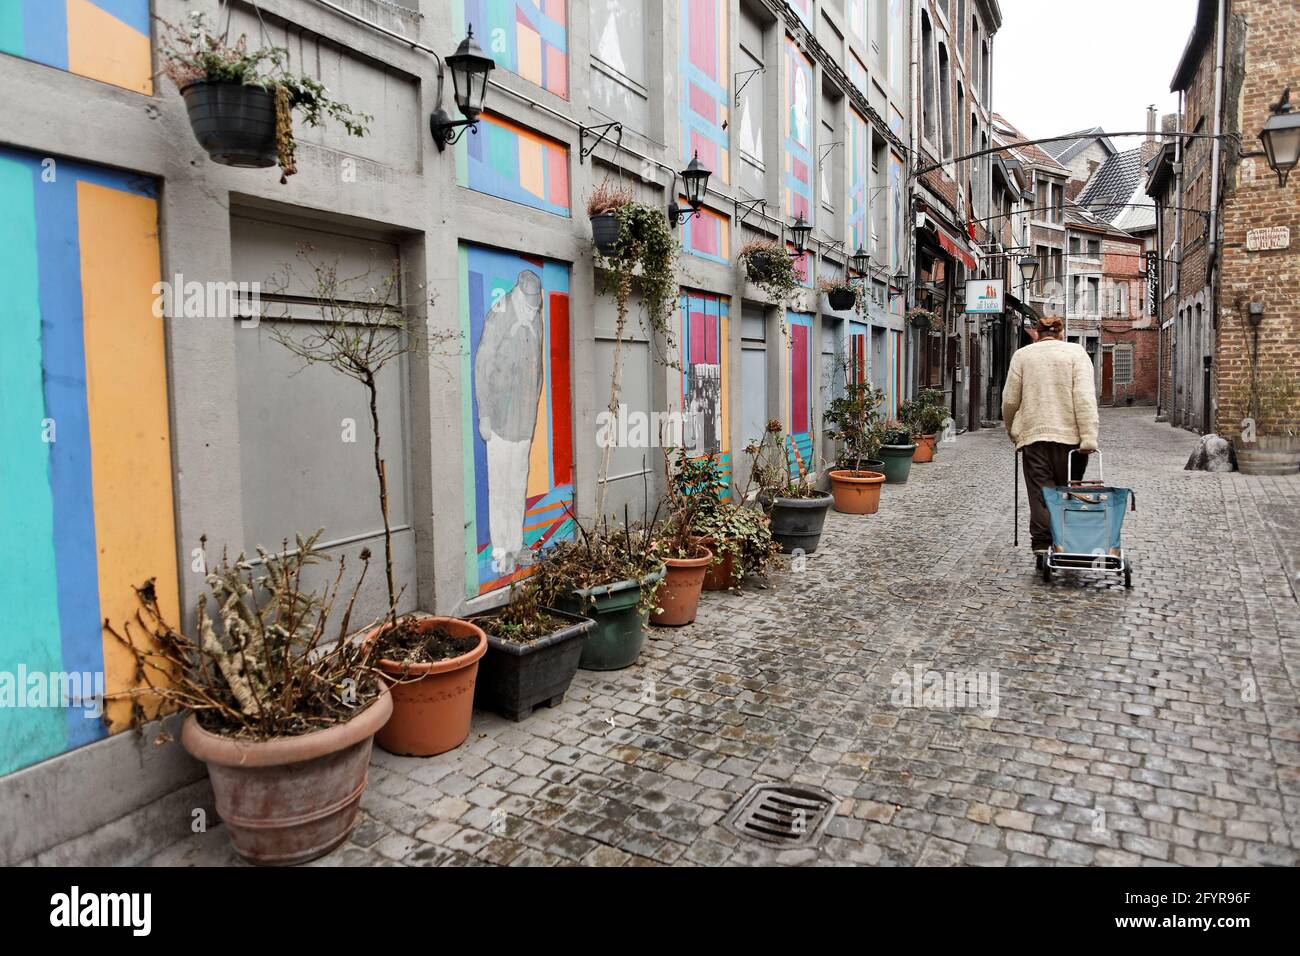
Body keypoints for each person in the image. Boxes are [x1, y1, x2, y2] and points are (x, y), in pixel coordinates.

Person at [1001, 315, 1100, 564]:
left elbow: (1010, 400)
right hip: (1072, 441)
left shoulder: (1023, 356)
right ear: (1061, 333)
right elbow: (1085, 397)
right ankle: (1068, 541)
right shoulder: (1077, 354)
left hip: (1035, 437)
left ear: (1037, 333)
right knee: (1069, 490)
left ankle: (1043, 545)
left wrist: (1013, 429)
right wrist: (1089, 438)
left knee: (1041, 493)